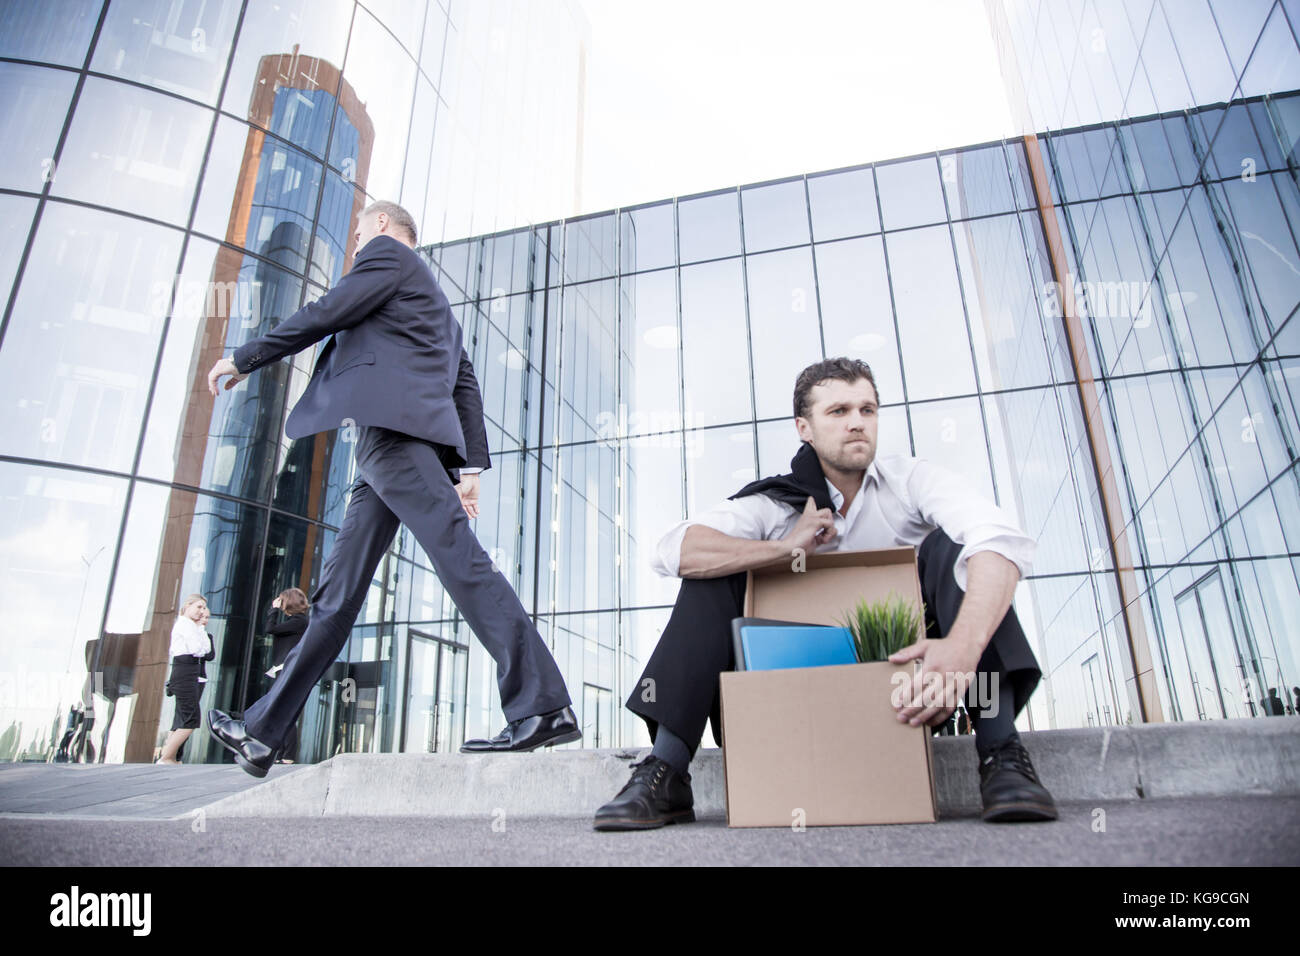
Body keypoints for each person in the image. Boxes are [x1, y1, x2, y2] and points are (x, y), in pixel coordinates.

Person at [593, 357, 1058, 829]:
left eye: (868, 410)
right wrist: (782, 547)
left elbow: (1000, 539)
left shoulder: (910, 482)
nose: (857, 422)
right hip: (795, 694)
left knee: (960, 548)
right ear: (805, 427)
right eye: (838, 411)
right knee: (717, 569)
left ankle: (1001, 751)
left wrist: (961, 650)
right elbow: (673, 549)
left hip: (914, 684)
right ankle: (668, 770)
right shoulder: (777, 504)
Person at [204, 201, 577, 778]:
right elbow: (466, 385)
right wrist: (469, 469)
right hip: (393, 450)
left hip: (392, 442)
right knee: (336, 598)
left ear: (382, 227)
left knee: (462, 563)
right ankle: (261, 733)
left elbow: (328, 310)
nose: (355, 246)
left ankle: (542, 705)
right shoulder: (439, 310)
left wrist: (248, 357)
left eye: (356, 234)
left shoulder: (387, 256)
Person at [157, 594, 214, 764]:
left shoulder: (193, 626)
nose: (201, 612)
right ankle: (166, 757)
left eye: (204, 608)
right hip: (184, 671)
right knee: (190, 718)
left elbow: (206, 650)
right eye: (199, 607)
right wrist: (198, 632)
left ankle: (170, 757)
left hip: (189, 671)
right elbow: (198, 649)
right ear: (188, 605)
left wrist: (200, 628)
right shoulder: (185, 624)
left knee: (185, 717)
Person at [264, 588, 310, 762]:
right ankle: (283, 753)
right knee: (280, 711)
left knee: (283, 711)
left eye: (282, 601)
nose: (279, 604)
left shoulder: (300, 621)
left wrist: (273, 610)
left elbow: (270, 628)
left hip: (287, 669)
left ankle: (287, 755)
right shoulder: (298, 621)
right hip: (284, 669)